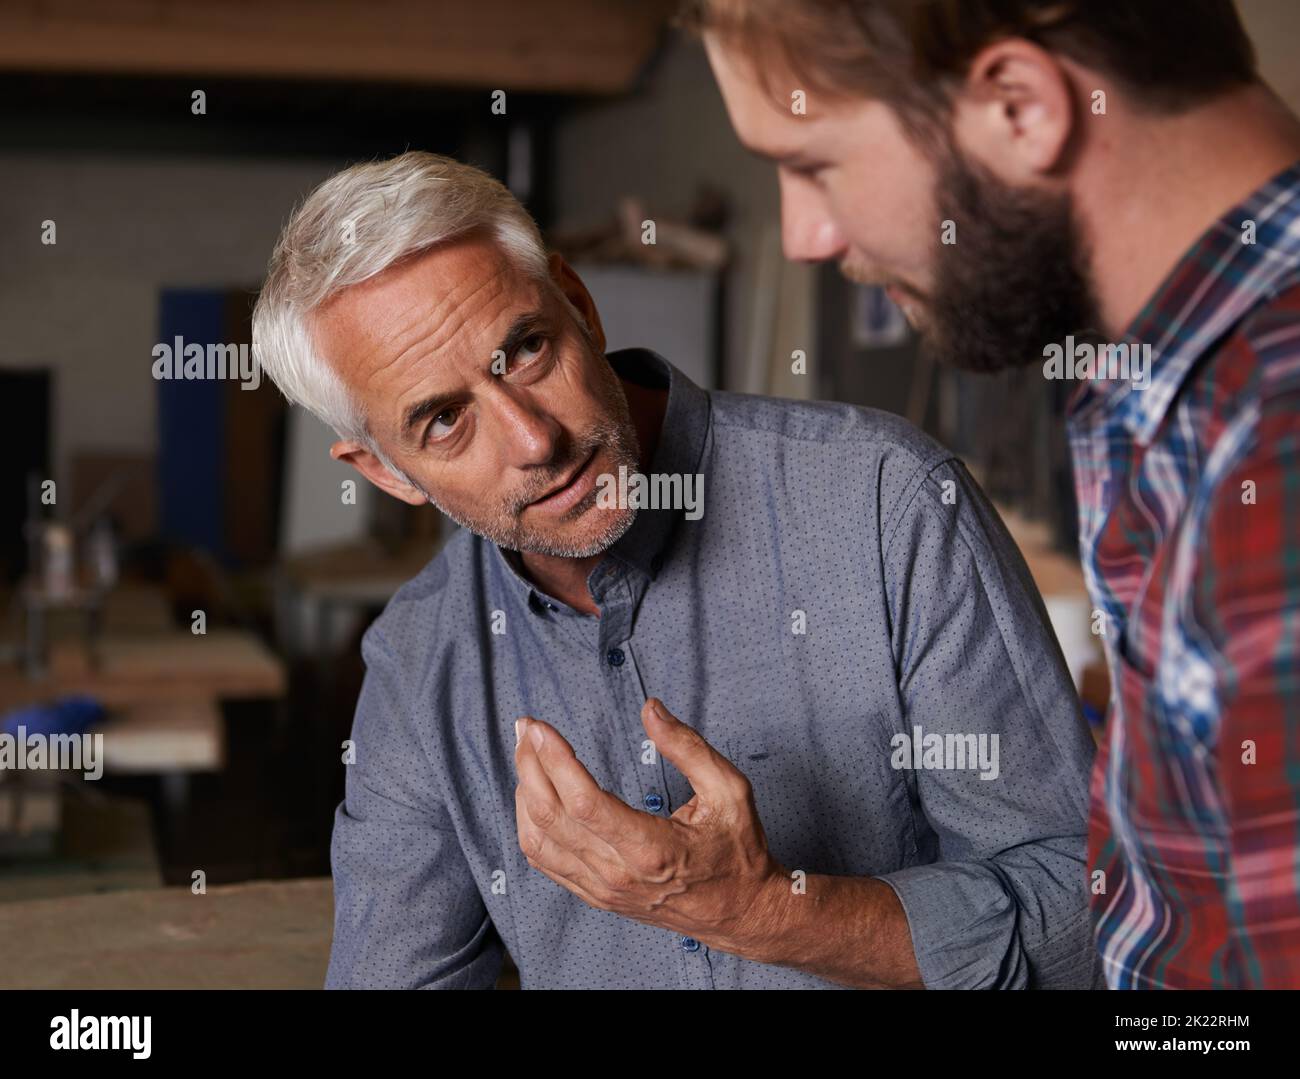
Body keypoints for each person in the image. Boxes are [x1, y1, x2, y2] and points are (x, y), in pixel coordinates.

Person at [252, 150, 1100, 989]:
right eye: (443, 421)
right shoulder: (419, 659)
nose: (534, 440)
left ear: (579, 304)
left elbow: (1091, 910)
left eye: (528, 349)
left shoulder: (886, 506)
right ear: (385, 472)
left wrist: (761, 912)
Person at [685, 0, 1300, 988]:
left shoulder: (1271, 454)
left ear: (1019, 106)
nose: (804, 235)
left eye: (813, 164)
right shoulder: (1160, 392)